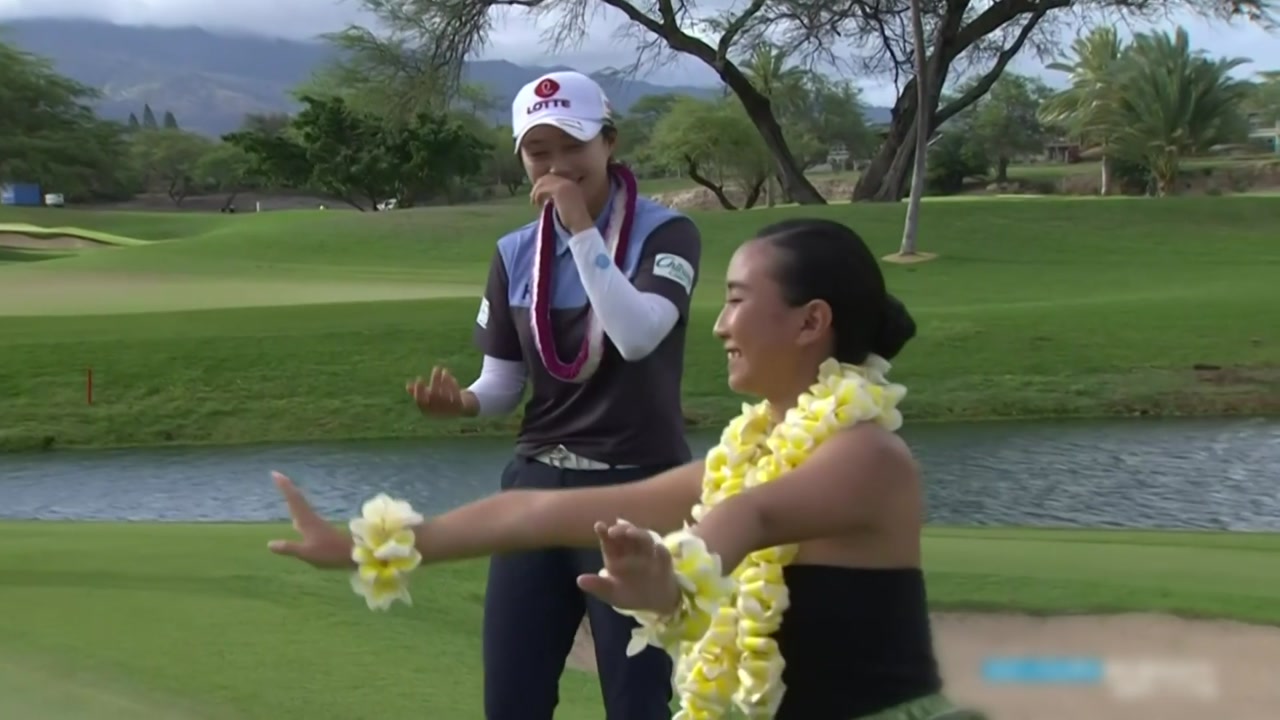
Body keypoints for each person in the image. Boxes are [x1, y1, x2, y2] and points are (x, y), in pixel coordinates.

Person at [271, 218, 963, 719]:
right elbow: (533, 512)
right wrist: (372, 546)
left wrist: (674, 577)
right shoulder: (742, 456)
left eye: (738, 298)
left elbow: (751, 516)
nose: (720, 325)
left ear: (811, 322)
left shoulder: (867, 455)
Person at [401, 71, 702, 719]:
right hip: (536, 488)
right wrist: (465, 404)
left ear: (609, 143)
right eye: (539, 151)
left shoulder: (667, 234)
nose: (557, 164)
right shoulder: (514, 253)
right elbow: (504, 382)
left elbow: (637, 335)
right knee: (512, 696)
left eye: (572, 144)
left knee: (636, 700)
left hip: (636, 490)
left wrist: (580, 231)